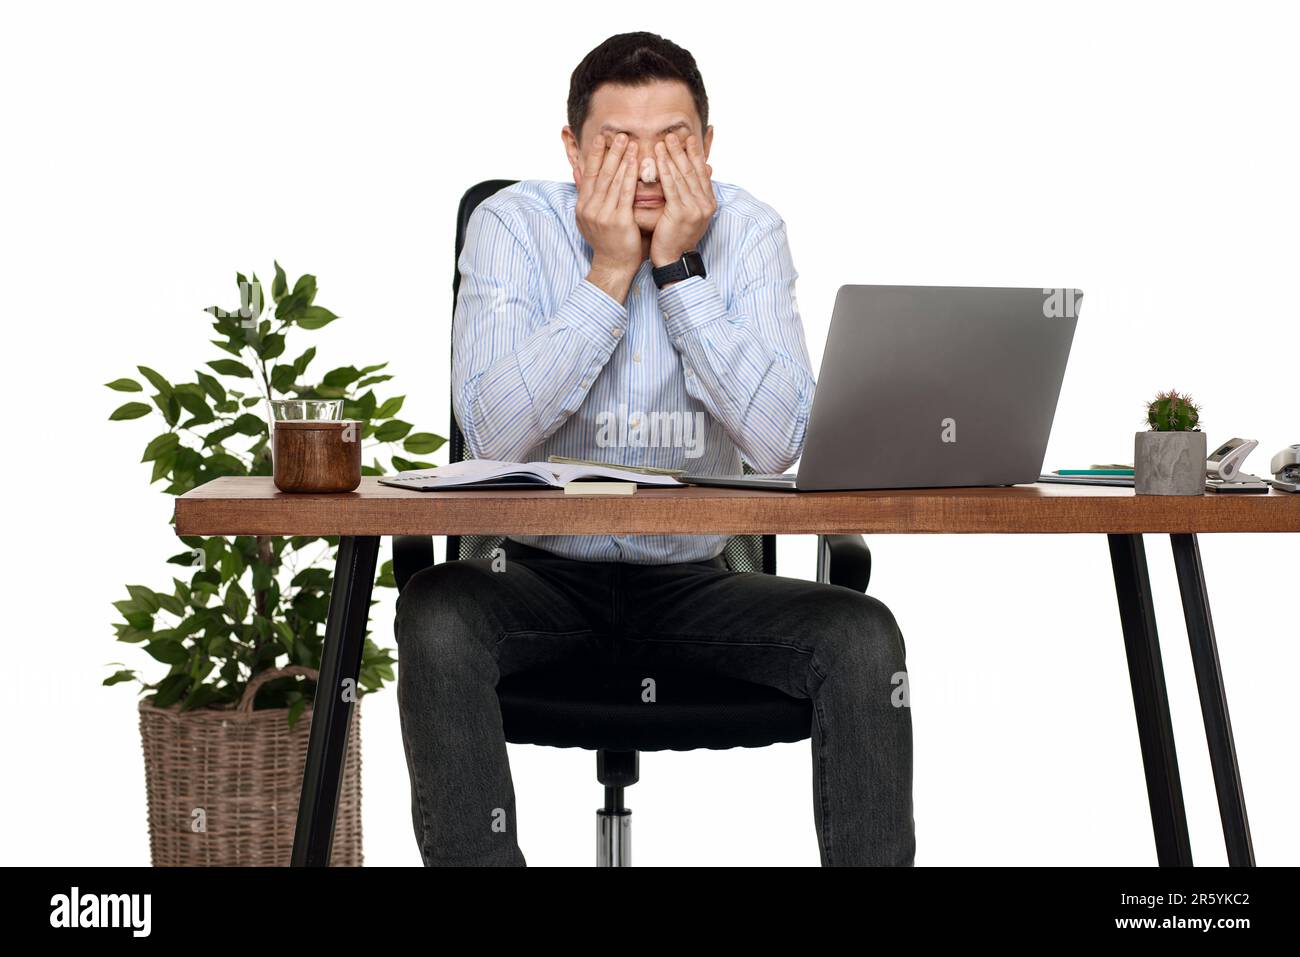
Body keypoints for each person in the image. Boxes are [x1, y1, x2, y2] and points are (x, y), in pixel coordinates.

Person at [395, 31, 914, 866]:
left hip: (699, 588)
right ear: (571, 149)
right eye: (614, 145)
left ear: (706, 146)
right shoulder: (511, 227)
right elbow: (488, 434)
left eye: (672, 142)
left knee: (861, 637)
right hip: (532, 580)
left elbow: (781, 440)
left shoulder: (747, 232)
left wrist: (677, 272)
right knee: (437, 609)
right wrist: (607, 273)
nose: (644, 171)